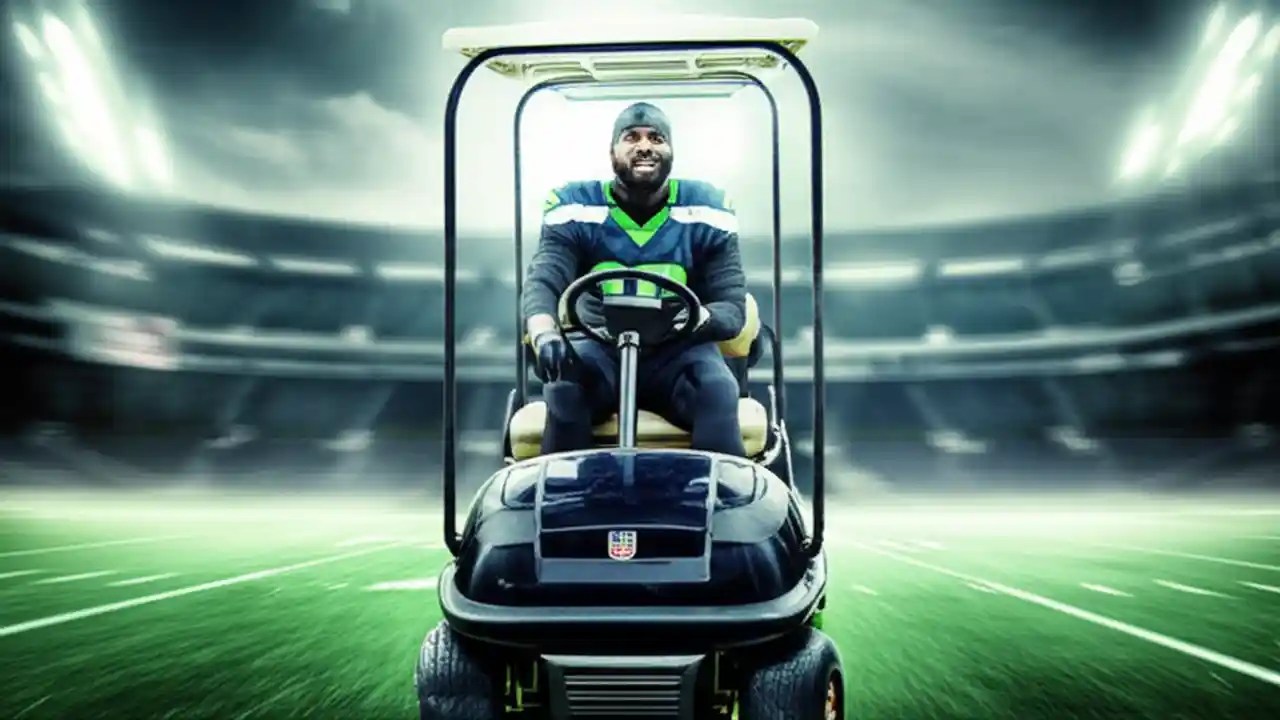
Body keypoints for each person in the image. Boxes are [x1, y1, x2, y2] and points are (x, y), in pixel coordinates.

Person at [521, 101, 748, 456]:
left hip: (679, 350)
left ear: (672, 152)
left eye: (657, 138)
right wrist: (544, 331)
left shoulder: (707, 208)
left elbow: (732, 305)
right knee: (565, 387)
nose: (645, 146)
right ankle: (564, 502)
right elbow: (545, 278)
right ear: (612, 152)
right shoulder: (576, 205)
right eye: (632, 137)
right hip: (599, 346)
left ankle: (722, 503)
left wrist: (695, 318)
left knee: (718, 388)